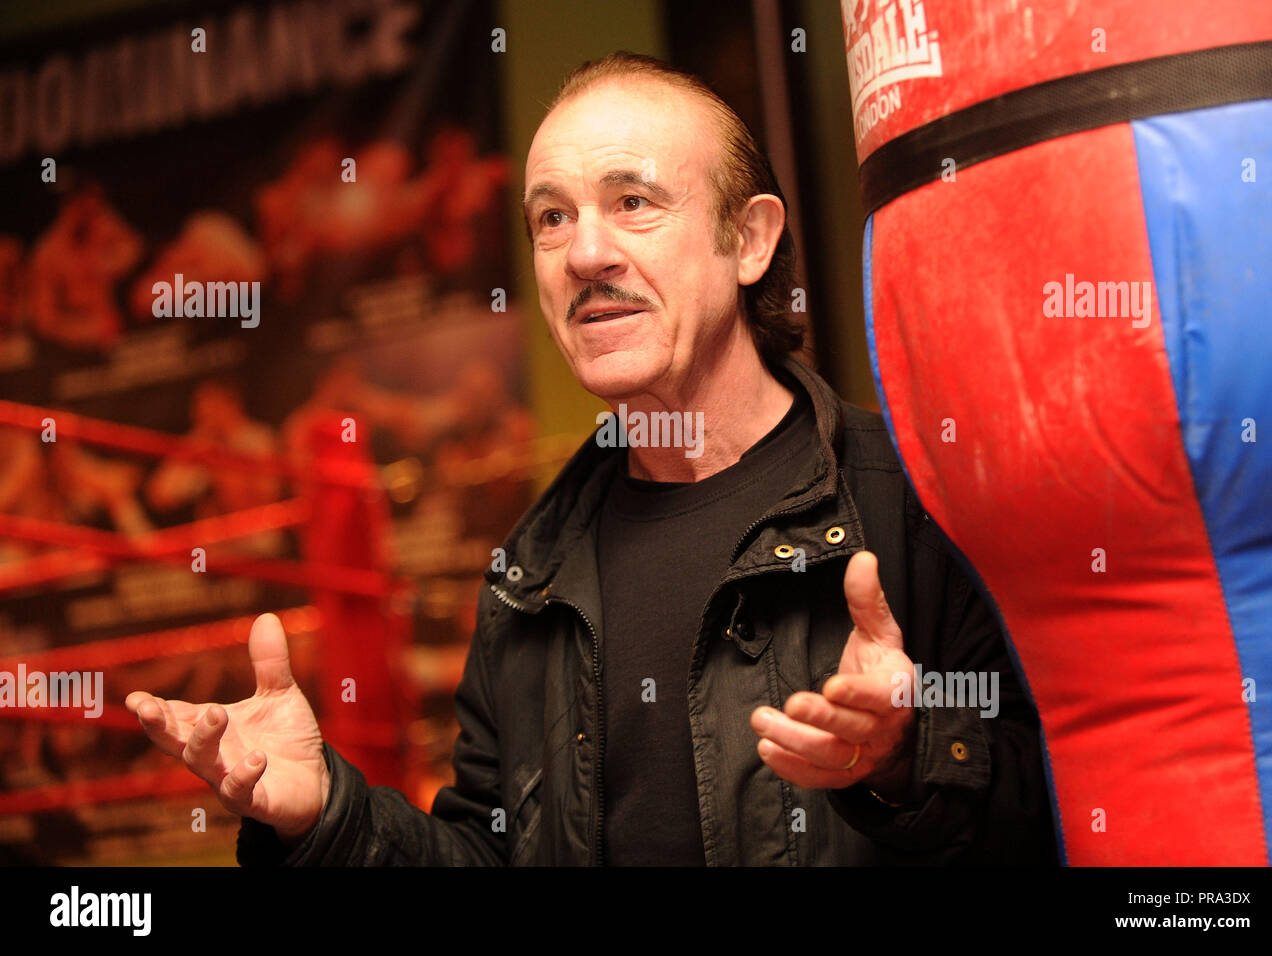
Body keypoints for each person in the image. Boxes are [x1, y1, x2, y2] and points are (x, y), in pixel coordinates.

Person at [126, 52, 1056, 865]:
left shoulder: (923, 498)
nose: (585, 253)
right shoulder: (530, 574)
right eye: (552, 218)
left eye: (633, 202)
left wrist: (908, 759)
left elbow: (1075, 817)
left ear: (750, 239)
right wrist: (328, 818)